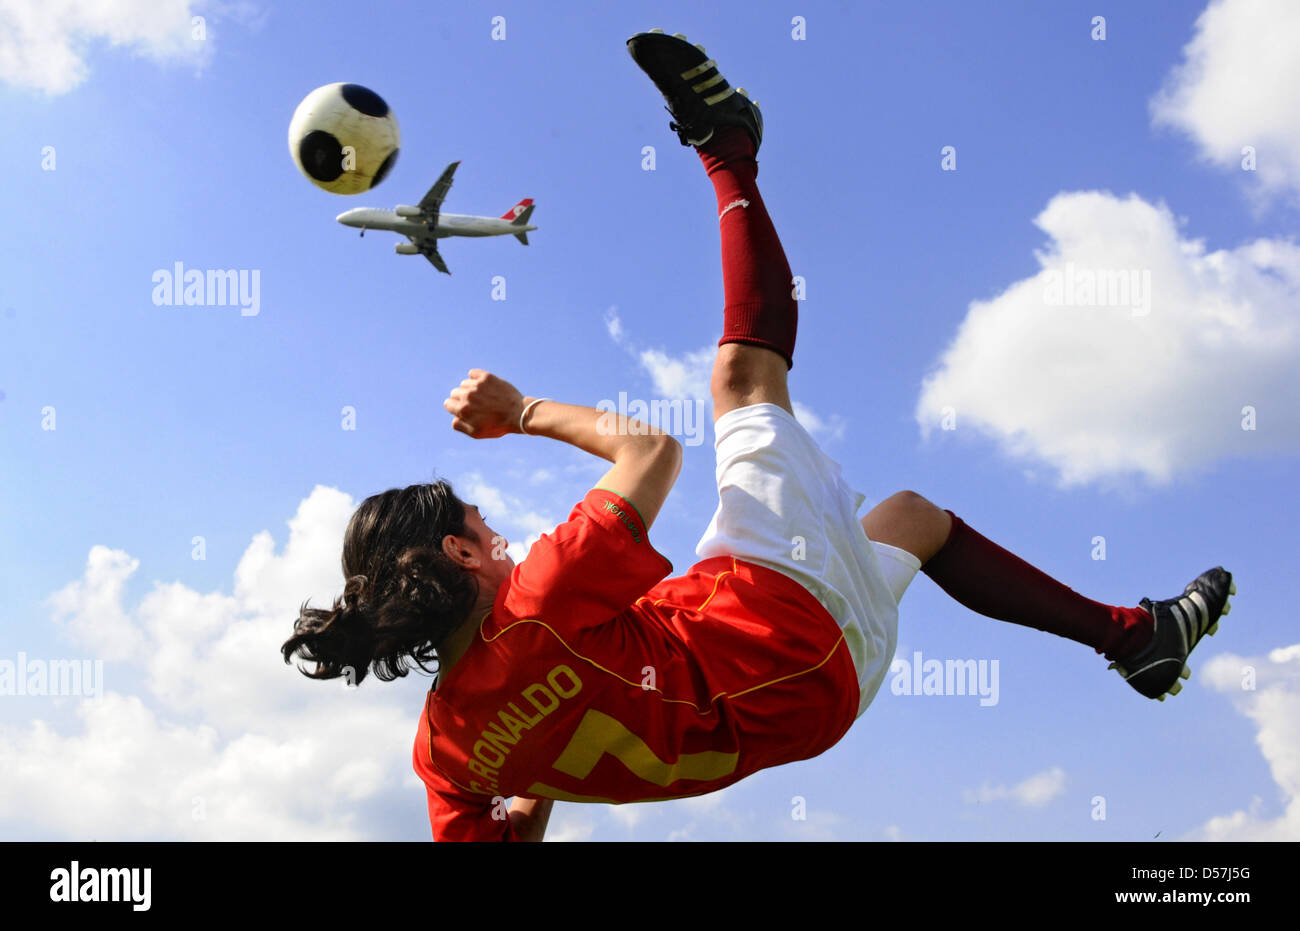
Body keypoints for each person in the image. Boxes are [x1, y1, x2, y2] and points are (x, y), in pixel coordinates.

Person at [282, 31, 1236, 842]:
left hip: (818, 702)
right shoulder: (537, 600)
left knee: (916, 518)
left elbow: (505, 828)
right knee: (742, 379)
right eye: (484, 529)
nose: (503, 538)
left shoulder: (445, 750)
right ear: (456, 552)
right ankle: (728, 148)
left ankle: (1137, 637)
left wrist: (538, 768)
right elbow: (652, 453)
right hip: (781, 623)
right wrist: (523, 412)